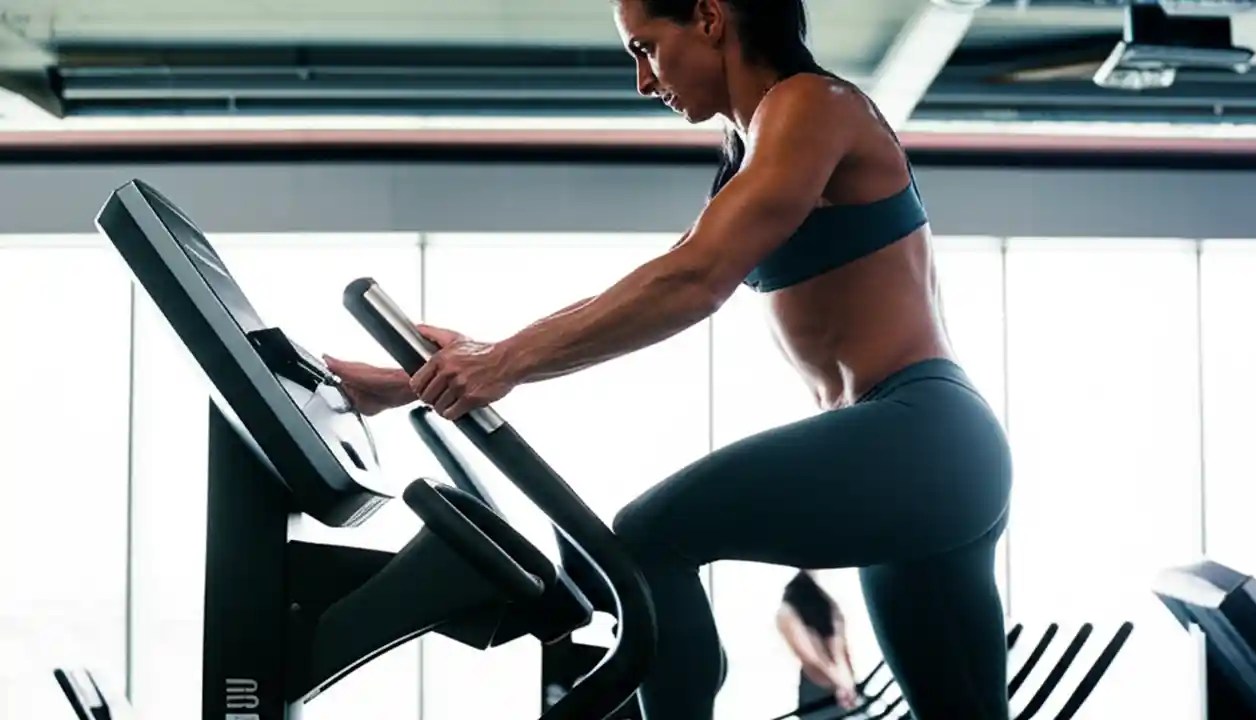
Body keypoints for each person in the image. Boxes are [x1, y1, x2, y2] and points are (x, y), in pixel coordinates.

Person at [323, 0, 1013, 717]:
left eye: (646, 48)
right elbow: (663, 276)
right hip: (930, 457)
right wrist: (426, 377)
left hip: (918, 433)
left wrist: (500, 363)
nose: (644, 82)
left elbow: (693, 280)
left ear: (710, 17)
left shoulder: (812, 104)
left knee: (649, 541)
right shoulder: (753, 144)